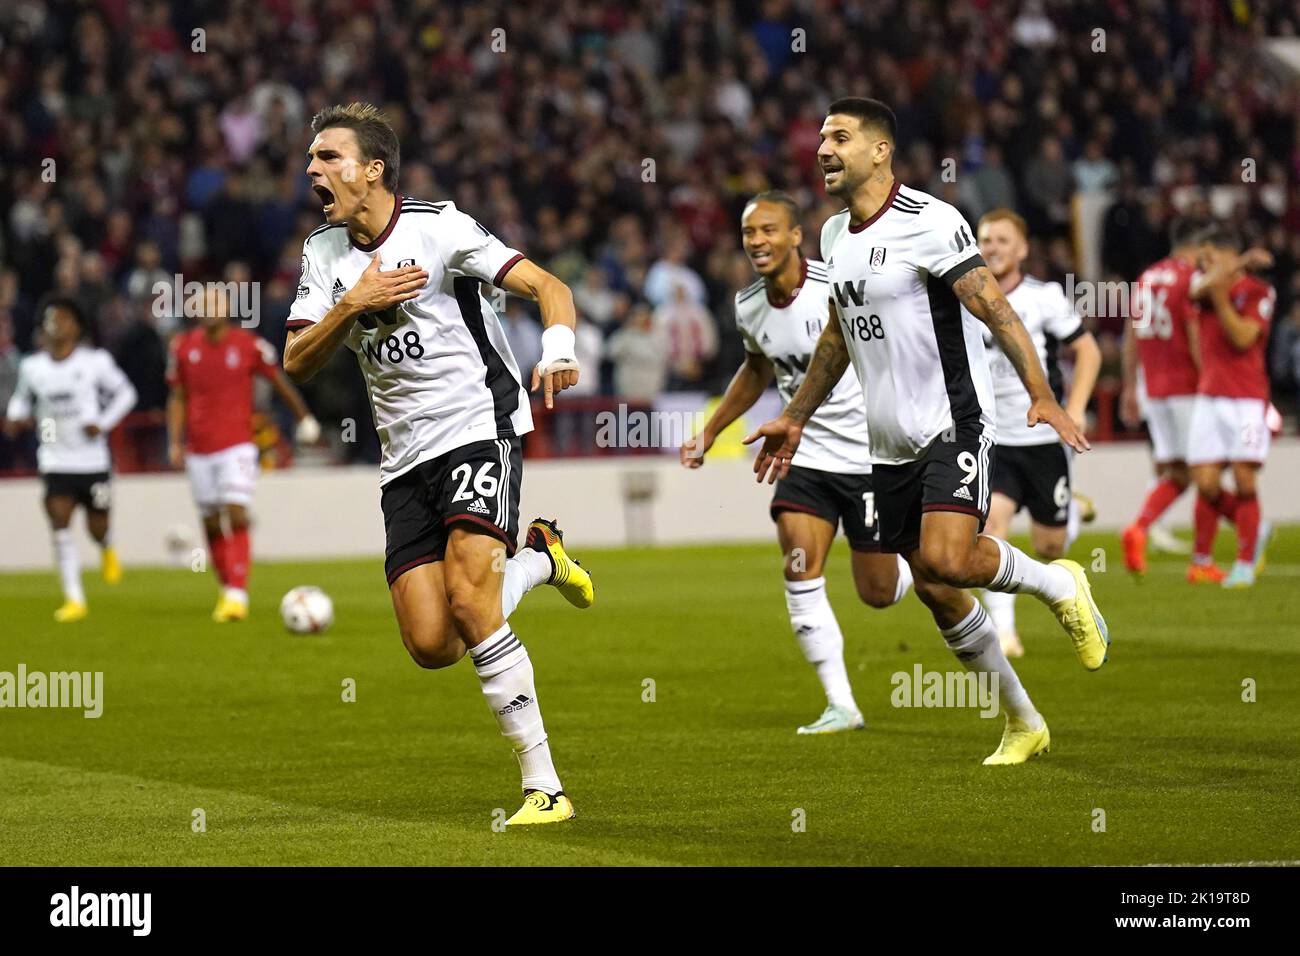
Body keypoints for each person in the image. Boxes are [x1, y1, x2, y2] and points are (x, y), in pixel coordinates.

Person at [746, 98, 1109, 766]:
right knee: (935, 590)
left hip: (953, 421)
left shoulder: (932, 221)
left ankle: (1060, 585)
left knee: (946, 559)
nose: (823, 149)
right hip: (885, 444)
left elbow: (994, 308)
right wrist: (795, 414)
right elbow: (837, 333)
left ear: (880, 150)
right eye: (822, 137)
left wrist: (1043, 395)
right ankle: (1023, 721)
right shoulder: (831, 236)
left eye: (840, 138)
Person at [283, 103, 594, 825]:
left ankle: (544, 786)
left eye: (328, 157)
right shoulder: (323, 255)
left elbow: (553, 288)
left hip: (477, 428)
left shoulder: (441, 227)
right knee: (432, 643)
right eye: (311, 159)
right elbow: (296, 358)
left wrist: (559, 349)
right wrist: (349, 305)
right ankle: (541, 558)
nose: (312, 170)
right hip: (402, 459)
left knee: (471, 599)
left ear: (373, 169)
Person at [681, 191, 913, 734]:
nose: (757, 241)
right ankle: (841, 704)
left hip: (869, 455)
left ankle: (923, 561)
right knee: (799, 568)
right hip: (802, 457)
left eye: (768, 230)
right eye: (749, 233)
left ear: (794, 236)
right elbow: (757, 370)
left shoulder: (837, 289)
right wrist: (712, 430)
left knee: (877, 593)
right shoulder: (748, 305)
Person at [971, 209, 1100, 658]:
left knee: (1050, 546)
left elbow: (1087, 351)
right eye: (986, 239)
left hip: (1043, 441)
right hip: (994, 440)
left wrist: (1077, 408)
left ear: (1022, 249)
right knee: (991, 528)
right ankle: (1003, 634)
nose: (993, 247)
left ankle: (1070, 515)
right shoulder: (968, 298)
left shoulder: (1043, 298)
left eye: (1003, 240)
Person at [167, 286, 320, 622]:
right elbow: (177, 396)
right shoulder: (183, 347)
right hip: (198, 448)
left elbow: (279, 380)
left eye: (215, 302)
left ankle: (237, 592)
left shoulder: (248, 345)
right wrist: (174, 441)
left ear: (228, 307)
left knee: (235, 511)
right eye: (203, 303)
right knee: (210, 520)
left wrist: (304, 417)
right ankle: (228, 586)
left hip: (237, 445)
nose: (209, 308)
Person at [3, 296, 136, 621]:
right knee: (59, 524)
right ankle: (74, 599)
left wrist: (102, 423)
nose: (55, 324)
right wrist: (16, 417)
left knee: (97, 526)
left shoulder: (95, 362)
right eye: (50, 319)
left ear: (76, 326)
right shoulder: (33, 367)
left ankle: (107, 546)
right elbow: (21, 401)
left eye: (62, 318)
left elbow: (126, 394)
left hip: (92, 461)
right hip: (54, 459)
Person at [1186, 228, 1276, 587]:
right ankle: (1255, 529)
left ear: (1225, 254)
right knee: (1205, 483)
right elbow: (1197, 289)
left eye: (1209, 256)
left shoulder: (1259, 291)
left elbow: (1242, 337)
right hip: (1209, 396)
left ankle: (1243, 563)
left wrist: (1224, 294)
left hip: (1247, 398)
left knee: (1243, 479)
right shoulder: (1203, 287)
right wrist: (1235, 267)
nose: (1201, 264)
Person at [1118, 218, 1205, 577]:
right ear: (1197, 247)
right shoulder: (1191, 279)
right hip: (1187, 383)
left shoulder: (1146, 278)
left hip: (1151, 385)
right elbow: (1193, 331)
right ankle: (1210, 555)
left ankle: (1140, 528)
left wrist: (1128, 385)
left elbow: (1130, 333)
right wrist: (1211, 378)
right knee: (1207, 470)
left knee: (1179, 471)